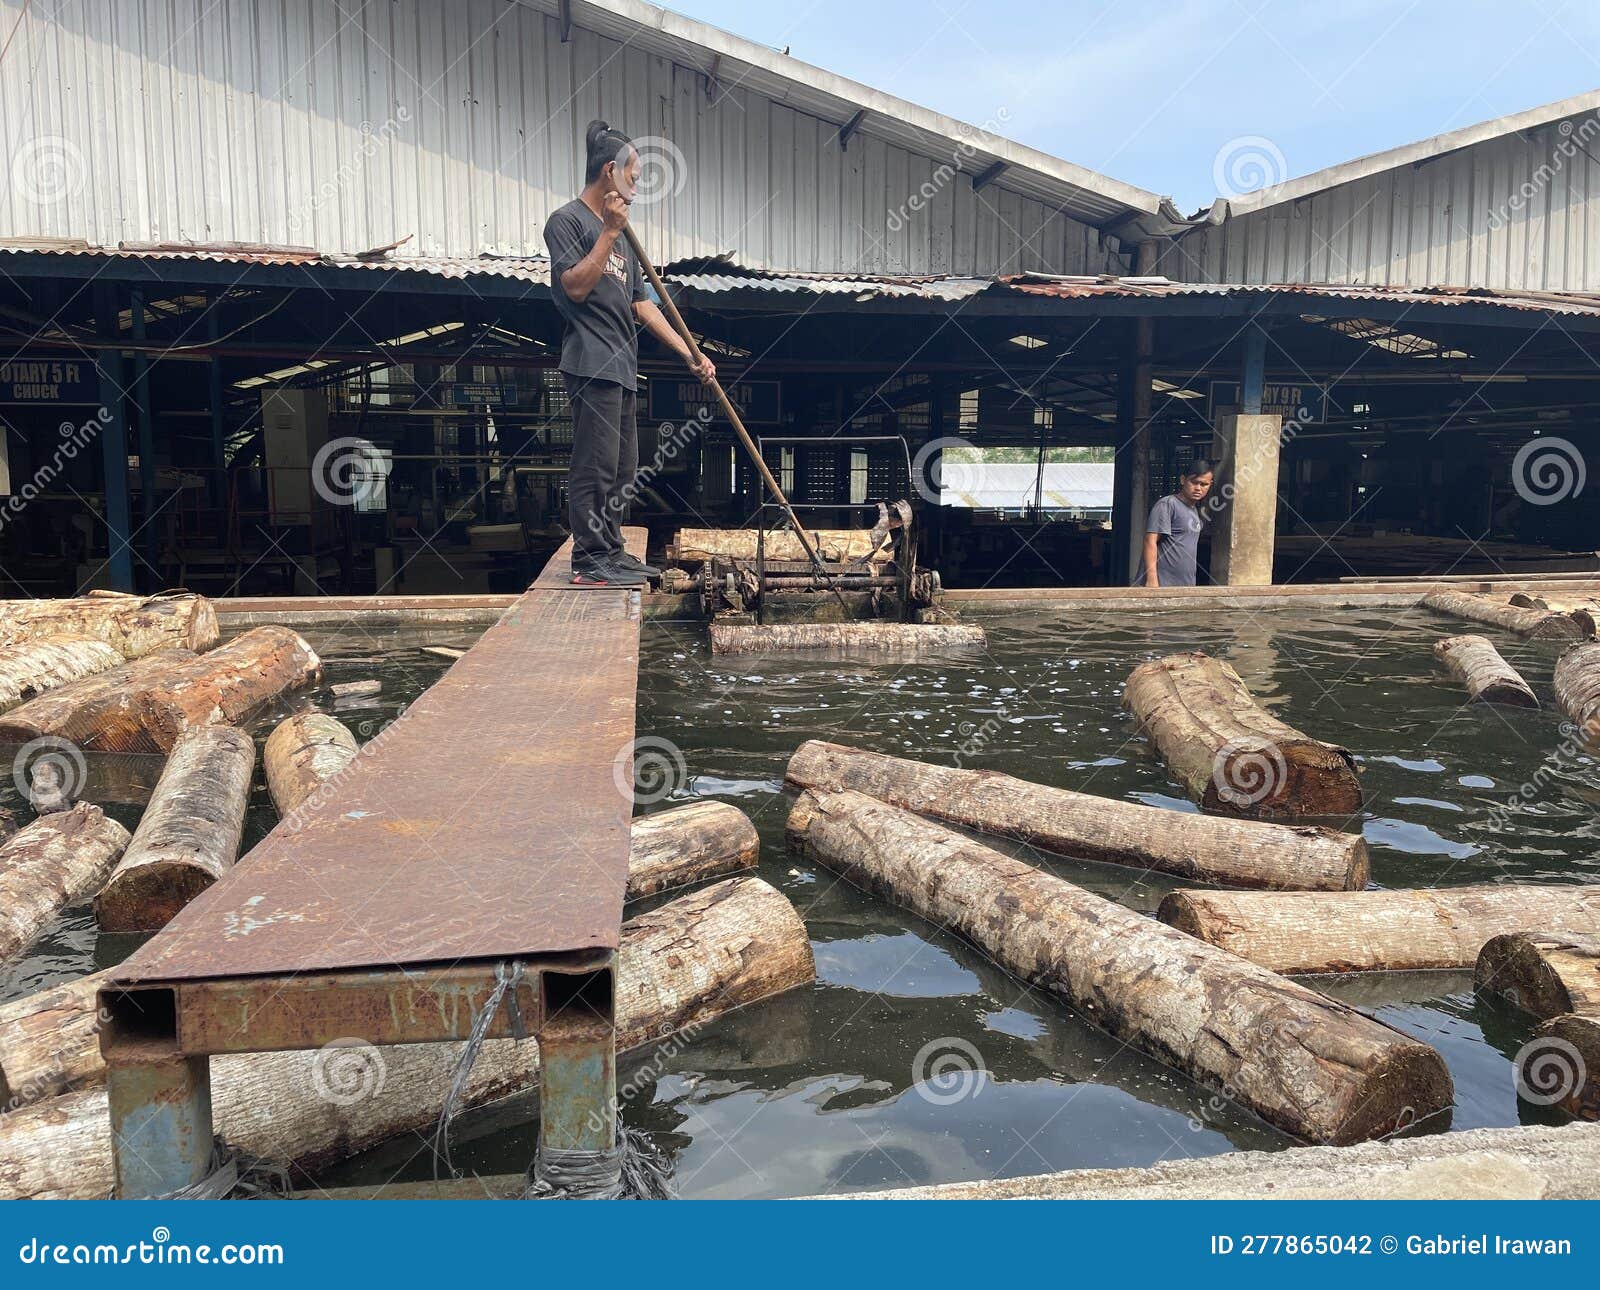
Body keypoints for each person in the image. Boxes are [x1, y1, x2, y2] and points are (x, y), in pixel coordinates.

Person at [543, 119, 715, 587]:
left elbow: (642, 305)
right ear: (609, 172)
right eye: (633, 178)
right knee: (595, 465)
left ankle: (611, 550)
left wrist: (689, 353)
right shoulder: (567, 222)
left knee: (623, 468)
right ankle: (589, 558)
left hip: (622, 366)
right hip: (590, 361)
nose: (636, 189)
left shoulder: (623, 237)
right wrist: (608, 233)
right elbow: (574, 287)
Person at [1134, 460, 1214, 588]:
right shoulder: (1167, 504)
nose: (1198, 488)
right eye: (1194, 482)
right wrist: (1152, 580)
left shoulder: (1193, 511)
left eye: (1204, 484)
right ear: (1183, 480)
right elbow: (1150, 541)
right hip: (1162, 584)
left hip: (1184, 584)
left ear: (1210, 485)